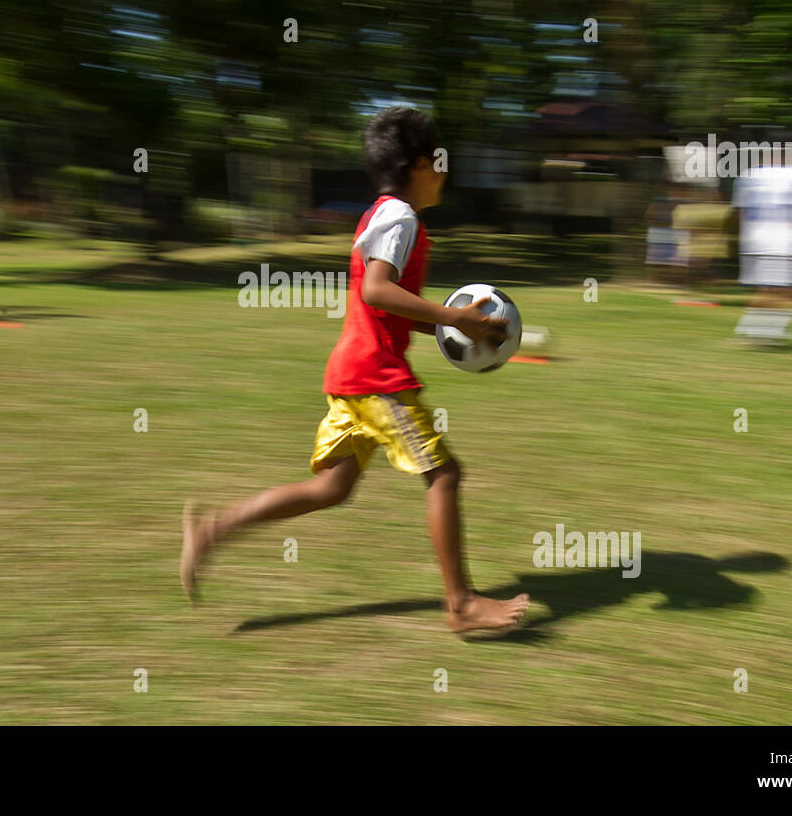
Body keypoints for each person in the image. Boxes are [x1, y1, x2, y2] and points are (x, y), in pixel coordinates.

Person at [180, 107, 531, 635]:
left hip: (352, 373)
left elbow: (385, 306)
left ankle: (213, 528)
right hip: (376, 377)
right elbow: (376, 290)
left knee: (331, 490)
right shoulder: (401, 218)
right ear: (418, 163)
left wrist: (452, 331)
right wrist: (453, 316)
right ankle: (459, 604)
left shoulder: (382, 214)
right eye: (439, 159)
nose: (445, 168)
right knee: (444, 475)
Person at [731, 147, 792, 344]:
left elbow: (739, 212)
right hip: (789, 240)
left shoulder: (750, 174)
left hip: (755, 239)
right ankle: (767, 331)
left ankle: (755, 329)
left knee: (767, 289)